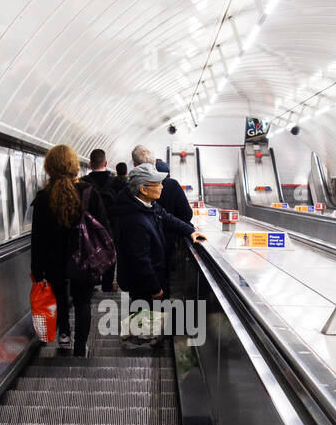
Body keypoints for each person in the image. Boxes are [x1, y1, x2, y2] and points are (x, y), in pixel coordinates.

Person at [31, 143, 108, 357]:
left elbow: (37, 239)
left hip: (54, 261)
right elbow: (104, 229)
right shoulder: (89, 193)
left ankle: (64, 335)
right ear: (74, 165)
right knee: (83, 302)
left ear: (49, 167)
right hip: (84, 258)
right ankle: (80, 346)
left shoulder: (43, 198)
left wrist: (37, 271)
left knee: (60, 297)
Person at [116, 163, 206, 344]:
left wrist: (190, 231)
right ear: (144, 189)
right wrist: (154, 288)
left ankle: (144, 338)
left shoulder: (147, 205)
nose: (162, 186)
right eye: (157, 183)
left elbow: (168, 218)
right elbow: (140, 261)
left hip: (153, 276)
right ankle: (140, 347)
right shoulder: (135, 220)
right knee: (144, 315)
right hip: (143, 283)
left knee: (150, 317)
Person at [81, 148, 118, 291]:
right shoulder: (116, 183)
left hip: (89, 227)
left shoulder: (83, 183)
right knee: (110, 253)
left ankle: (93, 279)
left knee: (89, 251)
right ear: (106, 162)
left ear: (90, 164)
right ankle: (107, 284)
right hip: (111, 226)